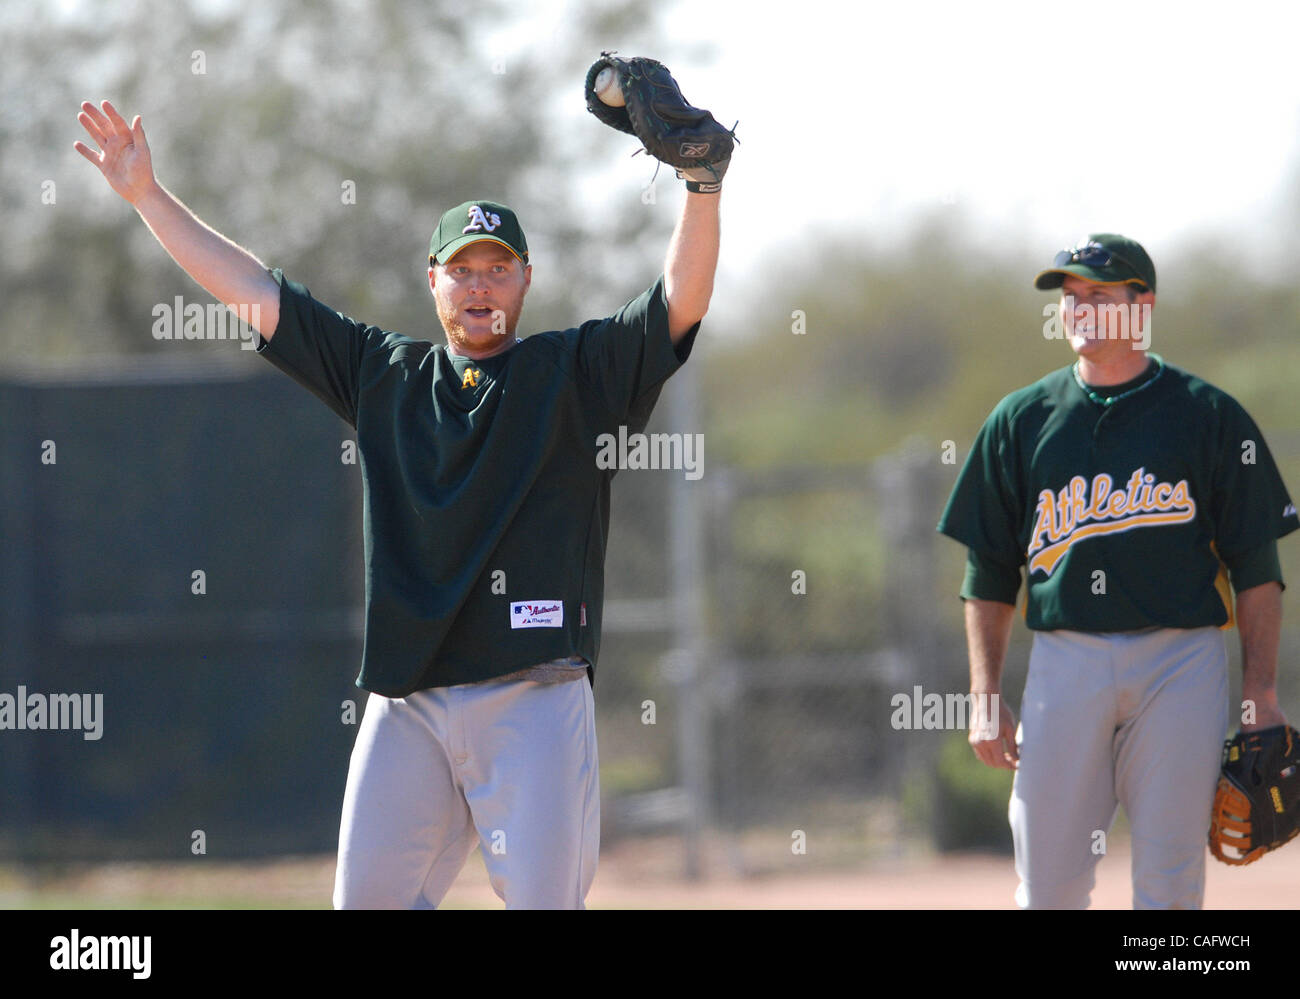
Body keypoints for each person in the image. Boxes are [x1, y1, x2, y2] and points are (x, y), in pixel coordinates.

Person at [75, 98, 720, 909]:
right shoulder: (385, 375)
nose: (479, 285)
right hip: (405, 702)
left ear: (526, 278)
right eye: (462, 268)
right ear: (433, 279)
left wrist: (701, 185)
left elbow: (678, 303)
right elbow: (251, 290)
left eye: (496, 267)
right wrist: (146, 197)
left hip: (534, 693)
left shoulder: (575, 375)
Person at [936, 233, 1298, 909]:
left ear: (1143, 306)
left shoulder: (1208, 415)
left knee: (1169, 883)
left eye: (1097, 295)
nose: (1077, 310)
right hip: (1063, 660)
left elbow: (1257, 566)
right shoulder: (1020, 420)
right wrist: (985, 693)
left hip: (1179, 661)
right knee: (1048, 886)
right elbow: (988, 570)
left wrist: (1260, 694)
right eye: (1070, 298)